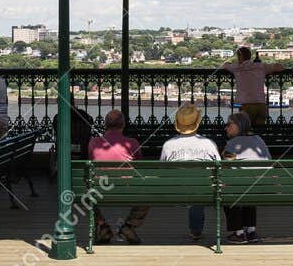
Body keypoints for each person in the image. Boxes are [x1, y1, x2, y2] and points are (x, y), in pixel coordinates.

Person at [159, 102, 220, 243]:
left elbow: (162, 170)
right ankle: (196, 230)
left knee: (194, 187)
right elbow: (219, 167)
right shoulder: (208, 144)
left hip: (175, 189)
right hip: (201, 190)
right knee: (198, 189)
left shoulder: (168, 145)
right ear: (197, 123)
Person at [87, 109, 148, 244]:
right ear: (123, 125)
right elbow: (140, 167)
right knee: (148, 194)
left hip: (101, 190)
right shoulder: (132, 143)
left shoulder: (93, 143)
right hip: (128, 190)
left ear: (105, 125)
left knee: (86, 193)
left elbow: (92, 163)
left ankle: (102, 226)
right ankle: (129, 226)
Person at [221, 110, 270, 244]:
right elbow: (268, 161)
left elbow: (226, 168)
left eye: (228, 124)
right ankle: (251, 231)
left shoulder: (232, 144)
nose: (226, 128)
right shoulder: (259, 140)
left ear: (238, 125)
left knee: (228, 190)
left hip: (241, 188)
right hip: (262, 186)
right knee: (248, 187)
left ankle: (239, 233)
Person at [219, 47, 285, 130]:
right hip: (261, 105)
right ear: (250, 56)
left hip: (247, 105)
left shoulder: (237, 67)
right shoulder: (261, 66)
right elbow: (280, 67)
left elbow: (225, 65)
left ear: (240, 56)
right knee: (259, 131)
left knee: (245, 130)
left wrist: (229, 63)